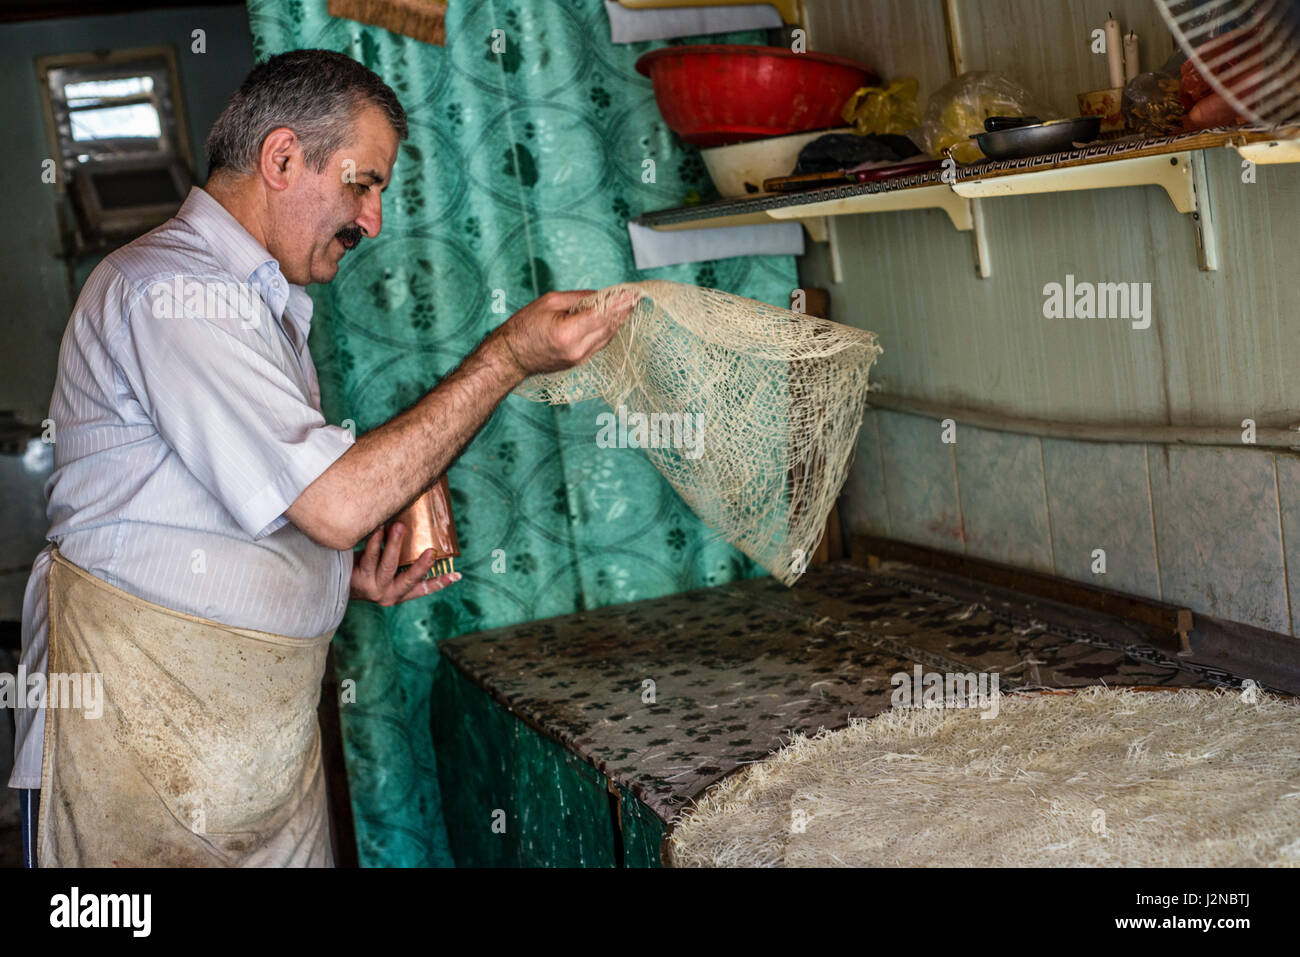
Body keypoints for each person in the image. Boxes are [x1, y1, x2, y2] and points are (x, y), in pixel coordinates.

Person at [9, 48, 638, 867]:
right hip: (141, 736)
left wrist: (334, 576)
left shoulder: (259, 303)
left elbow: (231, 513)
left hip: (248, 742)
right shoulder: (167, 288)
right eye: (362, 182)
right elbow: (334, 503)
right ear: (280, 158)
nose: (372, 219)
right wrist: (510, 355)